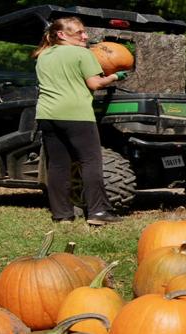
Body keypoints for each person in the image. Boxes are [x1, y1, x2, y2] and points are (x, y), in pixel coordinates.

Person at [34, 16, 130, 225]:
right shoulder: (82, 53)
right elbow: (95, 83)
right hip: (76, 114)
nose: (85, 36)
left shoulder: (43, 55)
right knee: (91, 162)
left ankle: (62, 215)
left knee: (58, 165)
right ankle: (98, 212)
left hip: (47, 115)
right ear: (61, 34)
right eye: (79, 32)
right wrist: (115, 76)